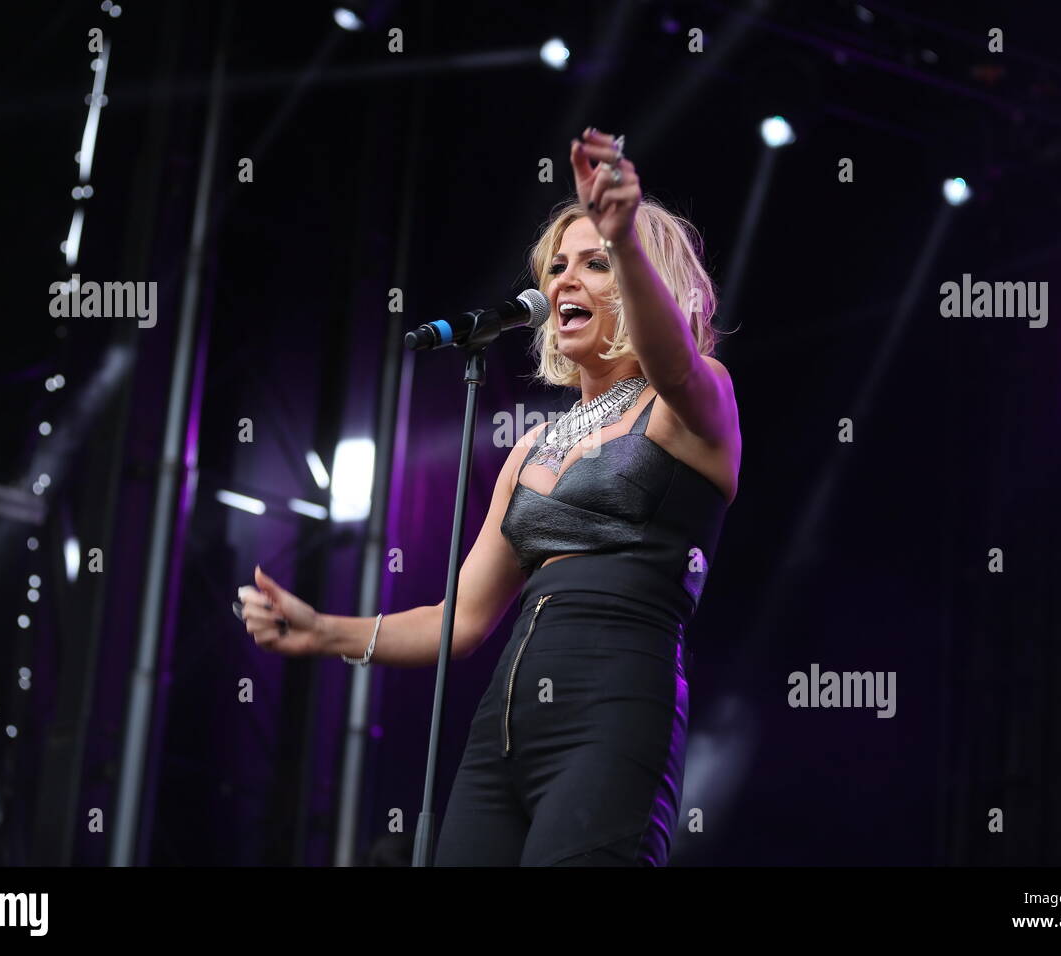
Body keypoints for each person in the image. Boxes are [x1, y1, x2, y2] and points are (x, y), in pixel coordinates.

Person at [237, 127, 740, 866]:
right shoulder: (532, 450)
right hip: (501, 734)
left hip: (614, 716)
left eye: (593, 264)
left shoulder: (693, 400)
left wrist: (625, 236)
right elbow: (461, 620)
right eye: (556, 266)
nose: (564, 280)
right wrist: (323, 632)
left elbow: (672, 364)